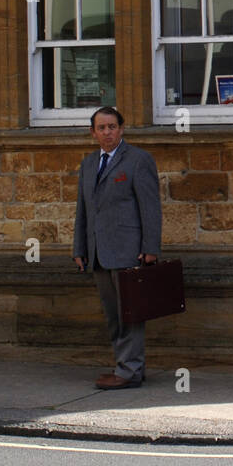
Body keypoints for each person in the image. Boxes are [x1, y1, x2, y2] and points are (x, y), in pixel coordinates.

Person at [72, 107, 162, 390]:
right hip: (98, 251)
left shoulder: (138, 160)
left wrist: (150, 248)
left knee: (130, 314)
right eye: (101, 128)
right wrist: (79, 248)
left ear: (122, 129)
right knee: (113, 315)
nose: (107, 132)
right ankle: (129, 367)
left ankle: (128, 371)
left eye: (112, 127)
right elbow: (83, 211)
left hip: (128, 250)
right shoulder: (88, 164)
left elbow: (150, 208)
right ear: (93, 132)